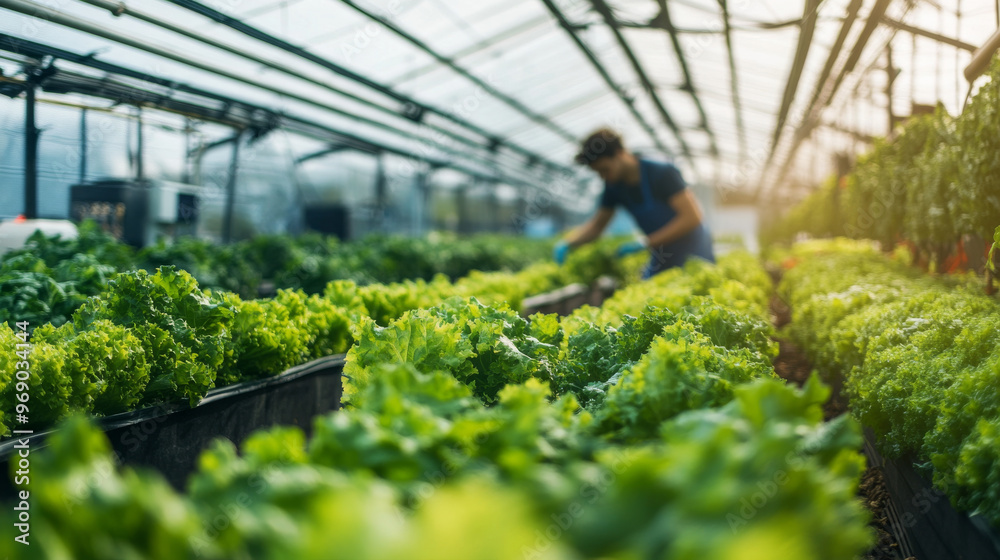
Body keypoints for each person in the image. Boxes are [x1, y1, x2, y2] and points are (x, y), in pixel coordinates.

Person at [553, 128, 714, 279]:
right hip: (662, 253)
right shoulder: (613, 187)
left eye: (605, 169)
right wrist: (568, 243)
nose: (603, 176)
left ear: (619, 154)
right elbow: (597, 226)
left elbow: (692, 217)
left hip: (693, 249)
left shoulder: (662, 173)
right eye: (598, 173)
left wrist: (646, 242)